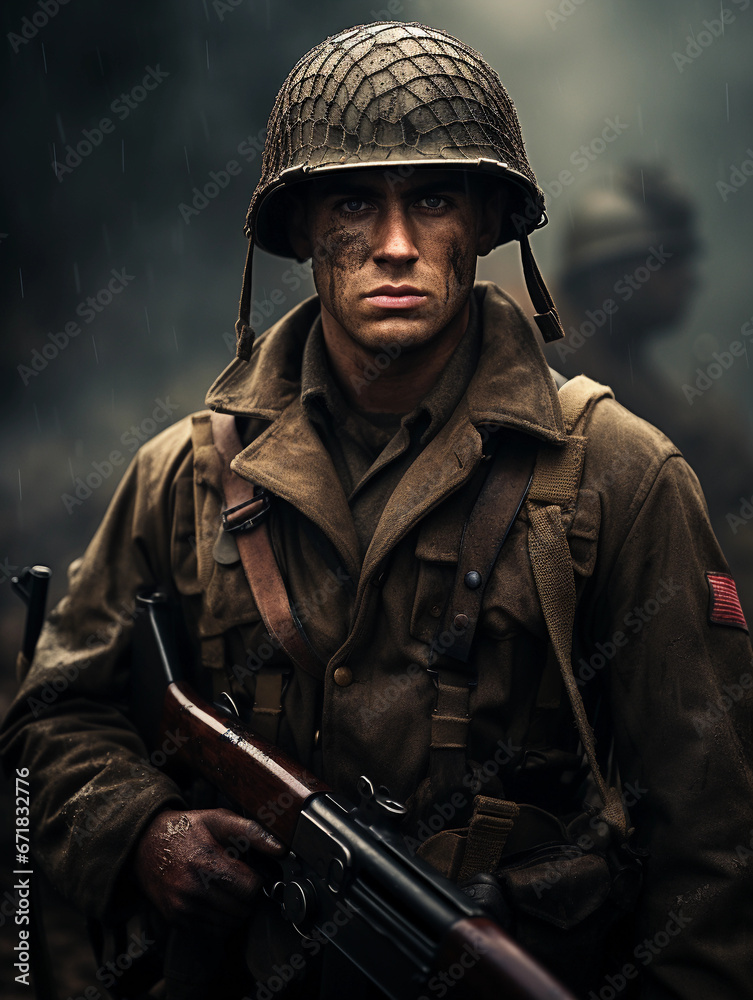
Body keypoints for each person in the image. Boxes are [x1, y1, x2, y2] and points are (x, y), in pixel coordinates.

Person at [2, 21, 753, 1000]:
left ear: (483, 224)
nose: (395, 246)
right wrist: (140, 829)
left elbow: (710, 843)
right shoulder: (180, 476)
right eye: (355, 203)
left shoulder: (621, 475)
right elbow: (51, 719)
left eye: (433, 200)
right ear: (304, 231)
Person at [549, 163, 753, 616]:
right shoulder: (548, 382)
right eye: (668, 260)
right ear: (608, 275)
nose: (690, 278)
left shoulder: (646, 381)